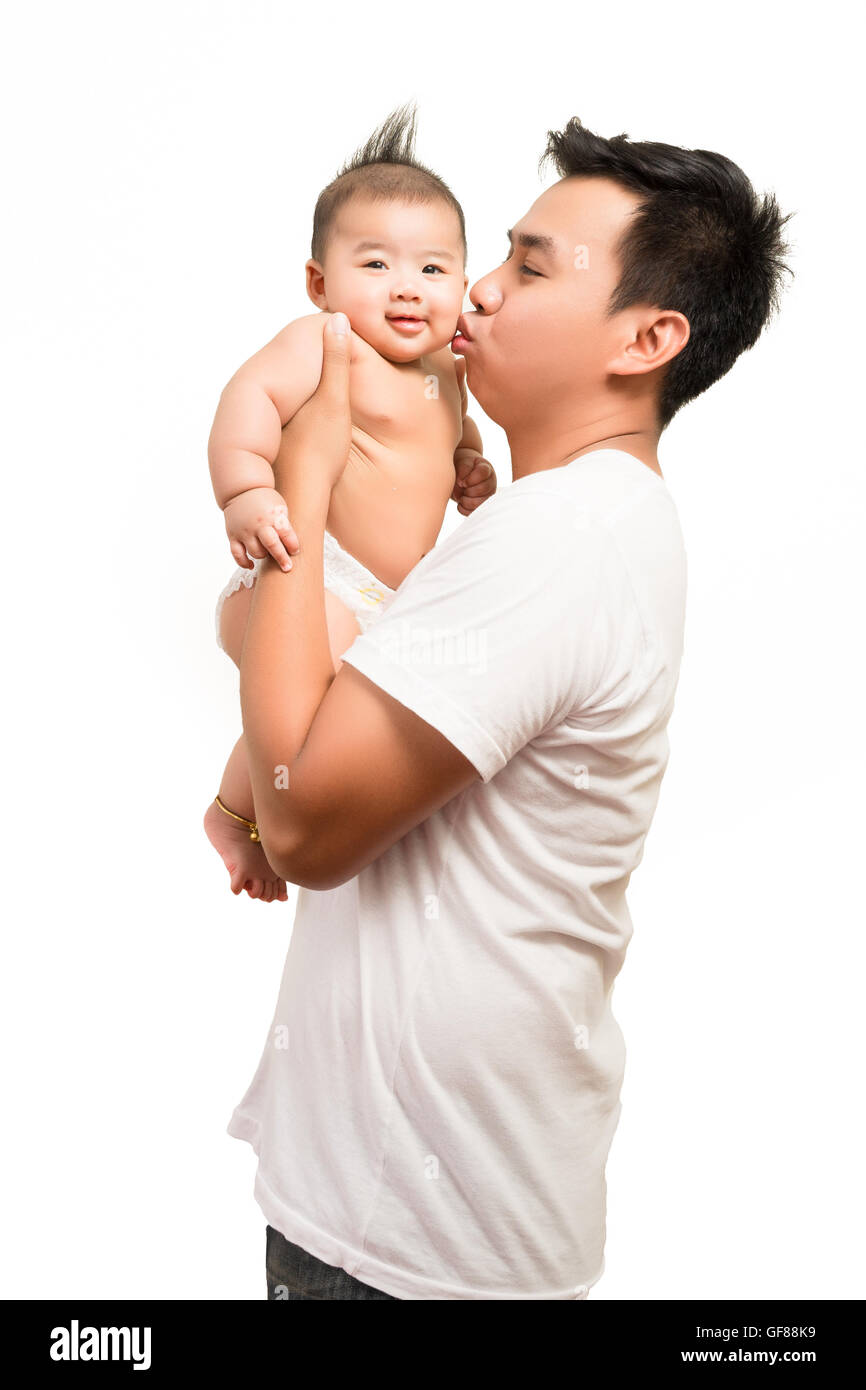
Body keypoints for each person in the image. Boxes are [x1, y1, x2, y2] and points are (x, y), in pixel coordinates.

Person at [220, 115, 793, 1299]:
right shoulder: (572, 519)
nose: (471, 289)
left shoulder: (559, 534)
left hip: (405, 1250)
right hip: (409, 1215)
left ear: (648, 336)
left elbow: (307, 828)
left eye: (528, 266)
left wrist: (305, 484)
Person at [203, 105, 495, 902]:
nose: (408, 288)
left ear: (462, 283)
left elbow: (449, 432)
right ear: (320, 282)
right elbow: (248, 399)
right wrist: (247, 492)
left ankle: (258, 810)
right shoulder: (323, 342)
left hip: (384, 604)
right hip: (299, 571)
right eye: (376, 266)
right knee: (317, 673)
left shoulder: (447, 365)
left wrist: (469, 465)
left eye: (434, 270)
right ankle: (238, 814)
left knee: (340, 717)